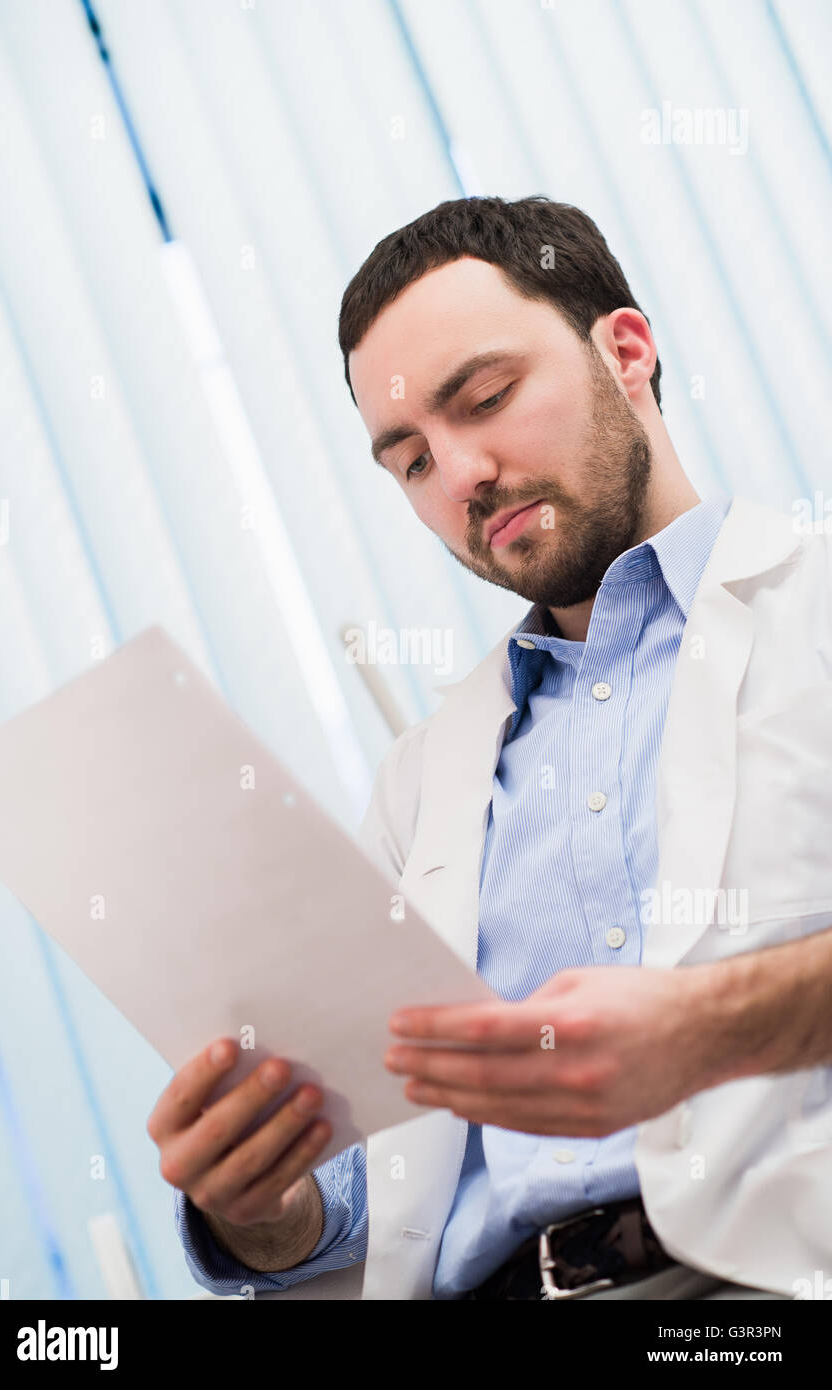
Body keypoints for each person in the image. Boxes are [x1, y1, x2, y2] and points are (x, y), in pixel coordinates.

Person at [149, 196, 832, 1301]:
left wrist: (713, 1030)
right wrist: (264, 1207)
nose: (460, 475)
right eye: (410, 459)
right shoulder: (423, 782)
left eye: (486, 399)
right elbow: (376, 1186)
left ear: (626, 351)